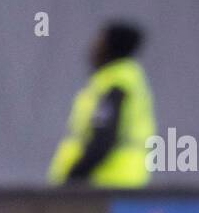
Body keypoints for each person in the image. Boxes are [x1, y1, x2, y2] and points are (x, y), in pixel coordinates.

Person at [48, 21, 155, 188]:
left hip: (104, 185)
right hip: (117, 183)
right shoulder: (124, 80)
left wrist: (73, 177)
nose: (92, 47)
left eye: (99, 41)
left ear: (111, 47)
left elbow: (103, 139)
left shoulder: (116, 84)